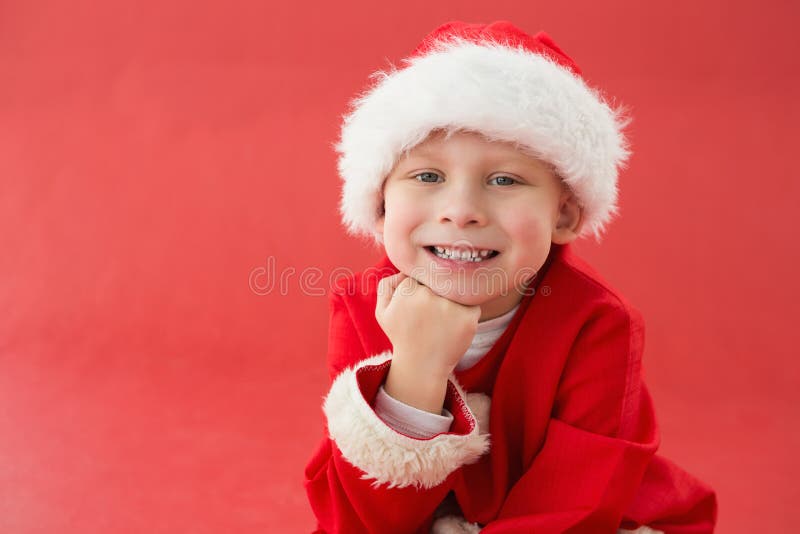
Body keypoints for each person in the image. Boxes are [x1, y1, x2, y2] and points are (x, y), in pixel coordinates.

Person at [304, 20, 718, 533]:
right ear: (382, 204)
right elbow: (360, 518)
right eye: (428, 176)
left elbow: (575, 507)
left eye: (504, 179)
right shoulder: (362, 306)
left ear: (564, 216)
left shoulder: (597, 324)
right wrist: (416, 370)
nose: (461, 210)